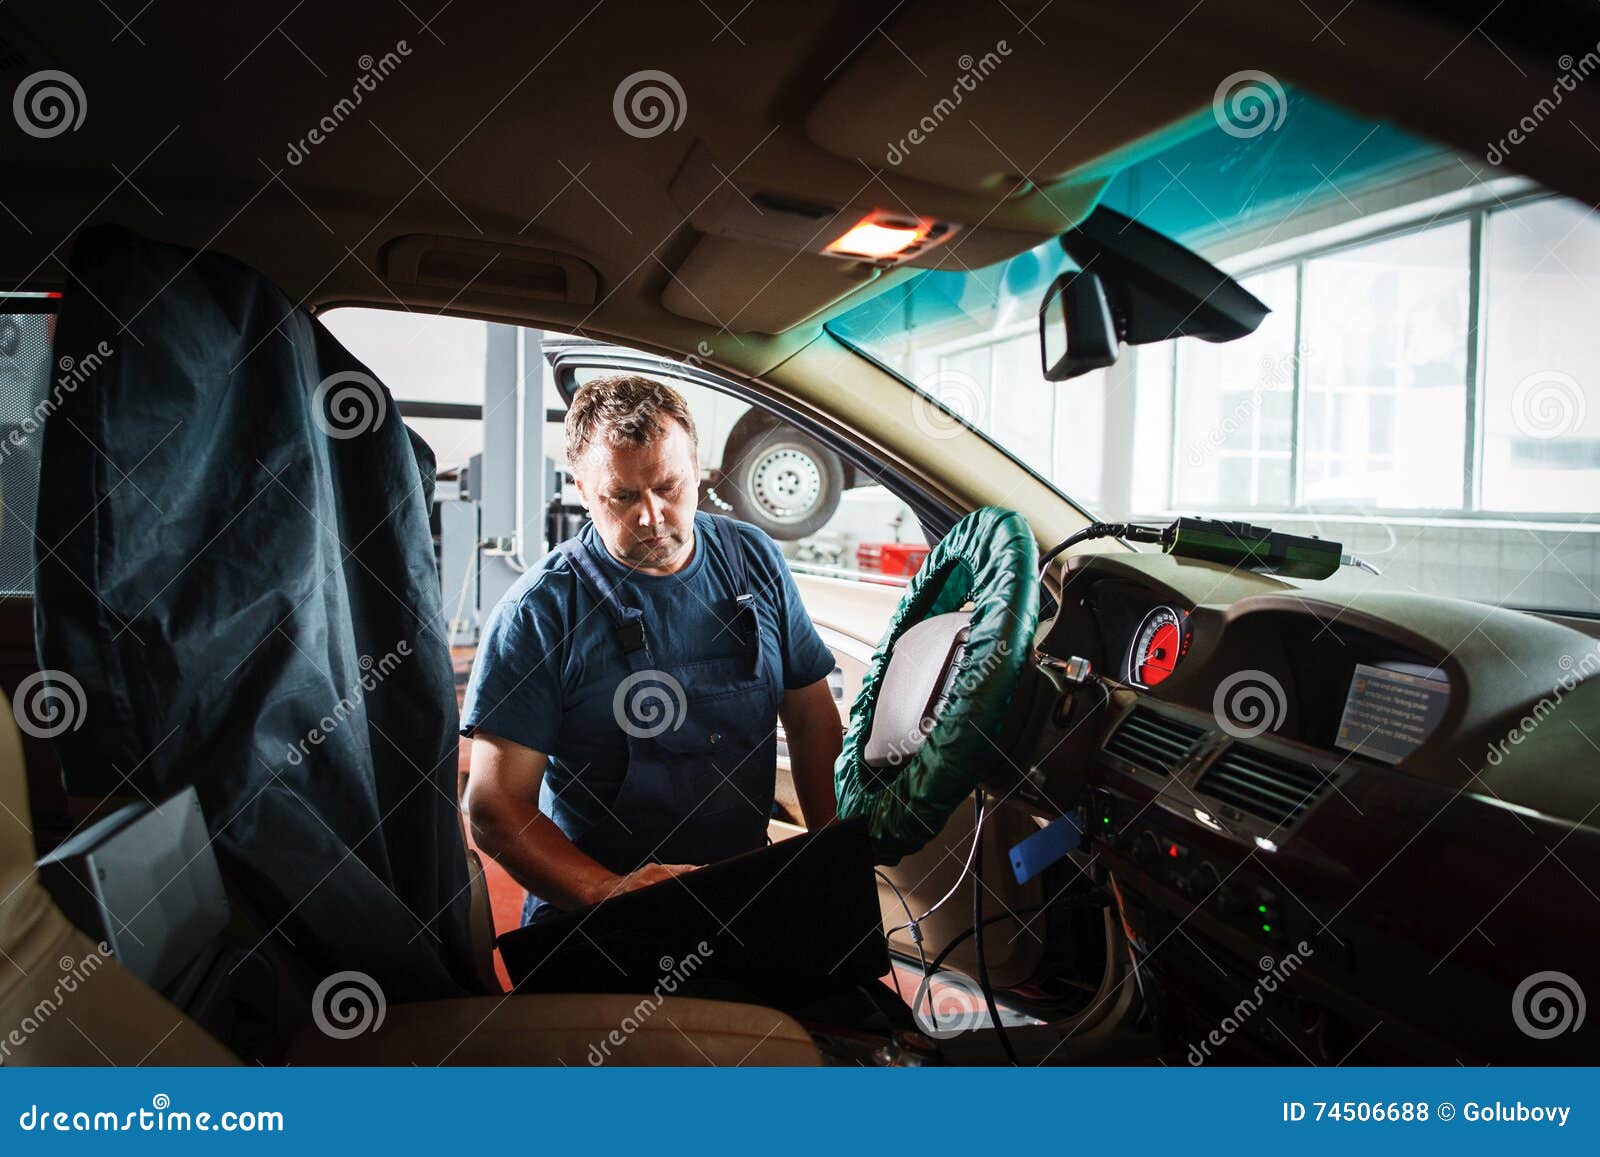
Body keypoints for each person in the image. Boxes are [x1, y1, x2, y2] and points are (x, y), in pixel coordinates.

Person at [461, 374, 844, 924]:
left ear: (696, 465)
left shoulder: (753, 559)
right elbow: (495, 807)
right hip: (594, 912)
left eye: (668, 486)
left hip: (740, 891)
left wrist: (830, 858)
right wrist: (607, 892)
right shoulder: (542, 611)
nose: (651, 516)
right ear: (582, 489)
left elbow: (810, 720)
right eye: (621, 496)